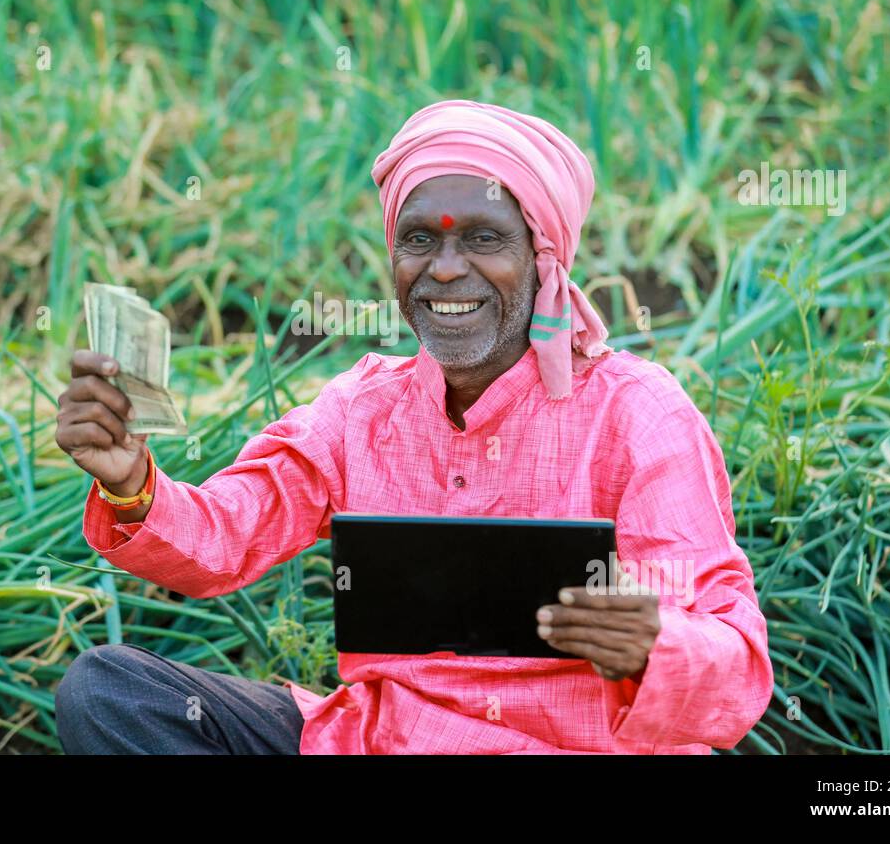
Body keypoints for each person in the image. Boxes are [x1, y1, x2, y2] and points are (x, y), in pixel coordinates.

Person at [53, 99, 774, 754]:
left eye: (485, 239)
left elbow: (736, 668)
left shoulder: (636, 414)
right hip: (380, 741)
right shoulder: (362, 409)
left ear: (542, 257)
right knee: (111, 693)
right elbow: (224, 537)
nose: (447, 269)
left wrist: (655, 644)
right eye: (419, 240)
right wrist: (131, 484)